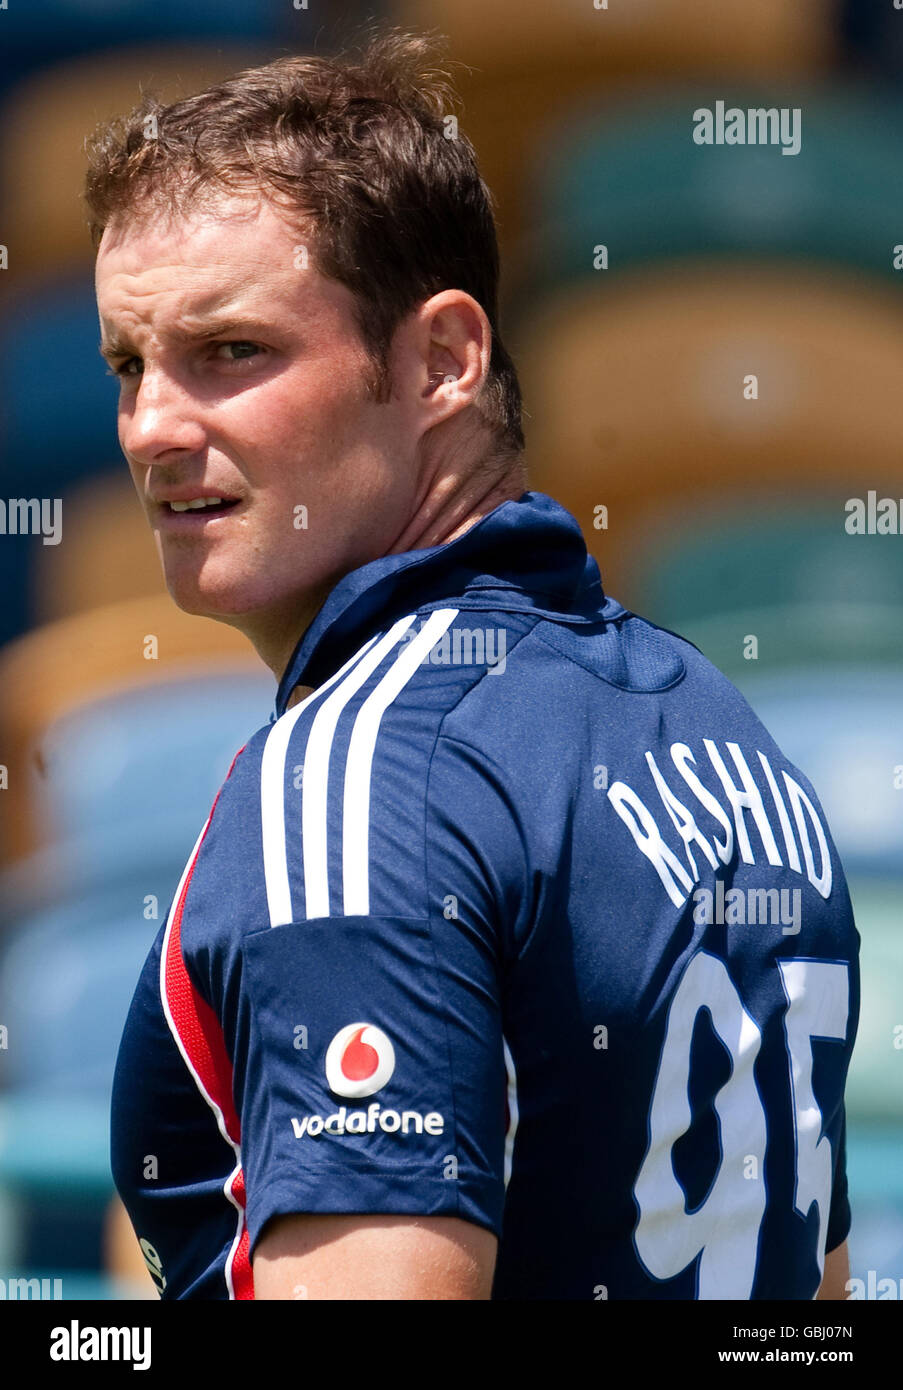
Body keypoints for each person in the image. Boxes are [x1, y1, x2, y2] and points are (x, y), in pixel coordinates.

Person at [87, 29, 859, 1300]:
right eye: (128, 364)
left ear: (442, 358)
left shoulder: (361, 780)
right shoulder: (726, 736)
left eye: (231, 351)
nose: (153, 427)